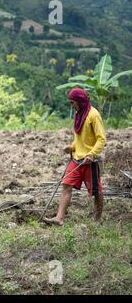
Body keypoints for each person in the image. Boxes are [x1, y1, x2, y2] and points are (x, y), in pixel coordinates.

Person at [44, 88, 106, 226]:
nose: (72, 105)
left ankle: (97, 220)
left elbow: (101, 139)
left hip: (90, 161)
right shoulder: (79, 114)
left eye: (73, 102)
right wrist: (72, 147)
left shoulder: (93, 115)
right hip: (77, 159)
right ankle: (59, 218)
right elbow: (80, 138)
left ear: (80, 101)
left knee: (96, 191)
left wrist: (91, 154)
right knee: (66, 185)